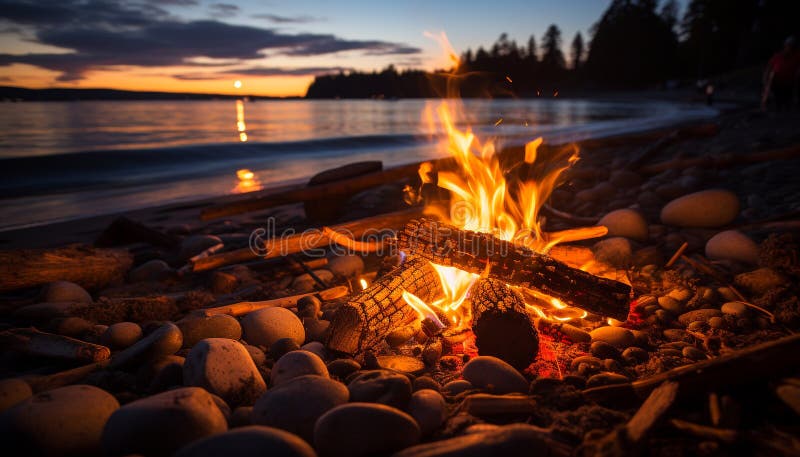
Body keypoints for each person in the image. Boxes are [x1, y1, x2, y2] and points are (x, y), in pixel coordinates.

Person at [762, 36, 800, 111]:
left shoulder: (797, 56)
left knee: (786, 102)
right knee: (772, 76)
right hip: (777, 83)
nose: (789, 48)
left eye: (792, 46)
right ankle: (768, 102)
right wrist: (765, 80)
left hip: (789, 83)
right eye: (788, 46)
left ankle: (788, 103)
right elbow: (768, 68)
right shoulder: (777, 56)